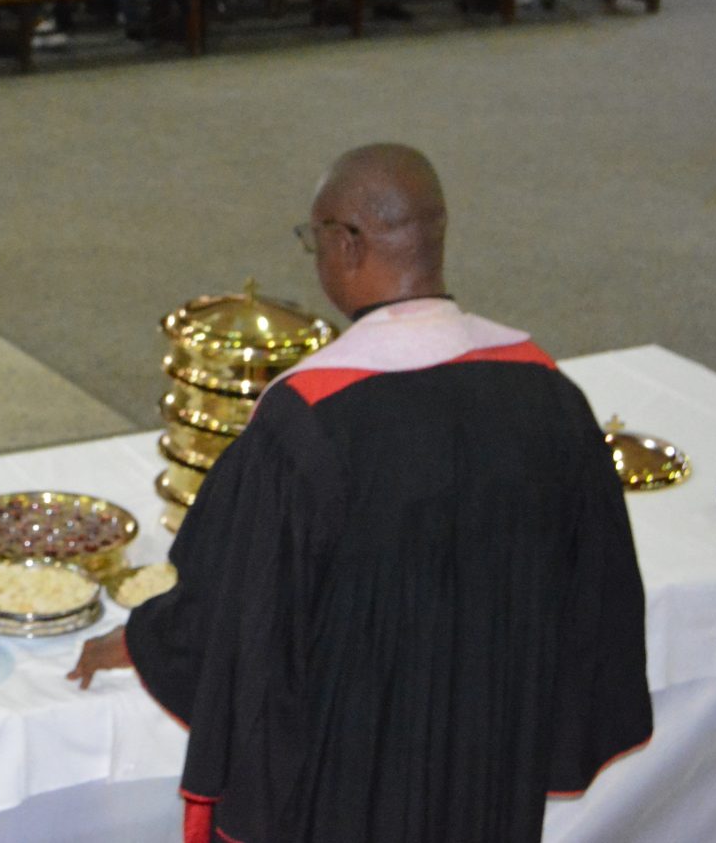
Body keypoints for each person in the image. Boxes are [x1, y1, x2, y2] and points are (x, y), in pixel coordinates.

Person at [69, 144, 650, 843]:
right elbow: (597, 593)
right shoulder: (550, 394)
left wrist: (144, 637)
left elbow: (238, 607)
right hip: (484, 769)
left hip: (351, 786)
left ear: (347, 243)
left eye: (313, 238)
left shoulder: (310, 418)